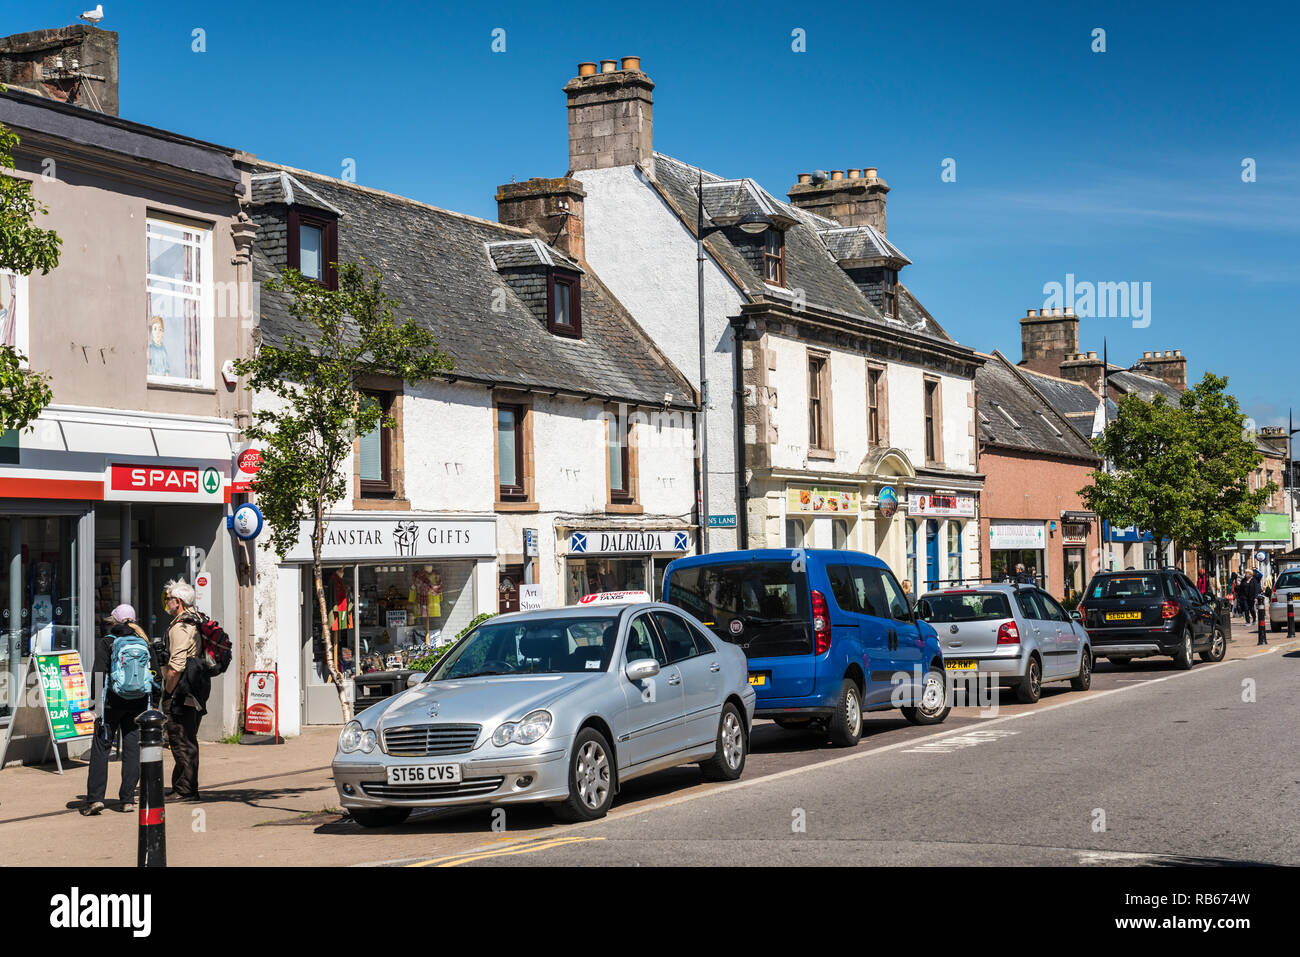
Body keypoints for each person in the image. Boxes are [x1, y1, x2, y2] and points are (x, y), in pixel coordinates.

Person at [82, 604, 152, 816]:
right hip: (138, 702)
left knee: (101, 748)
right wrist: (153, 702)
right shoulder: (143, 641)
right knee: (132, 749)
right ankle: (128, 800)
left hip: (111, 702)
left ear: (115, 621)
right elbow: (155, 672)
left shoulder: (107, 642)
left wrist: (94, 705)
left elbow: (98, 672)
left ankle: (95, 799)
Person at [161, 579, 204, 802]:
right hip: (196, 689)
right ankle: (181, 785)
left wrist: (167, 692)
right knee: (187, 738)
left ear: (177, 602)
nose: (166, 603)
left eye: (168, 599)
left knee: (181, 740)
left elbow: (176, 666)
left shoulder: (181, 627)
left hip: (181, 692)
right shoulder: (198, 619)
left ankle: (186, 790)